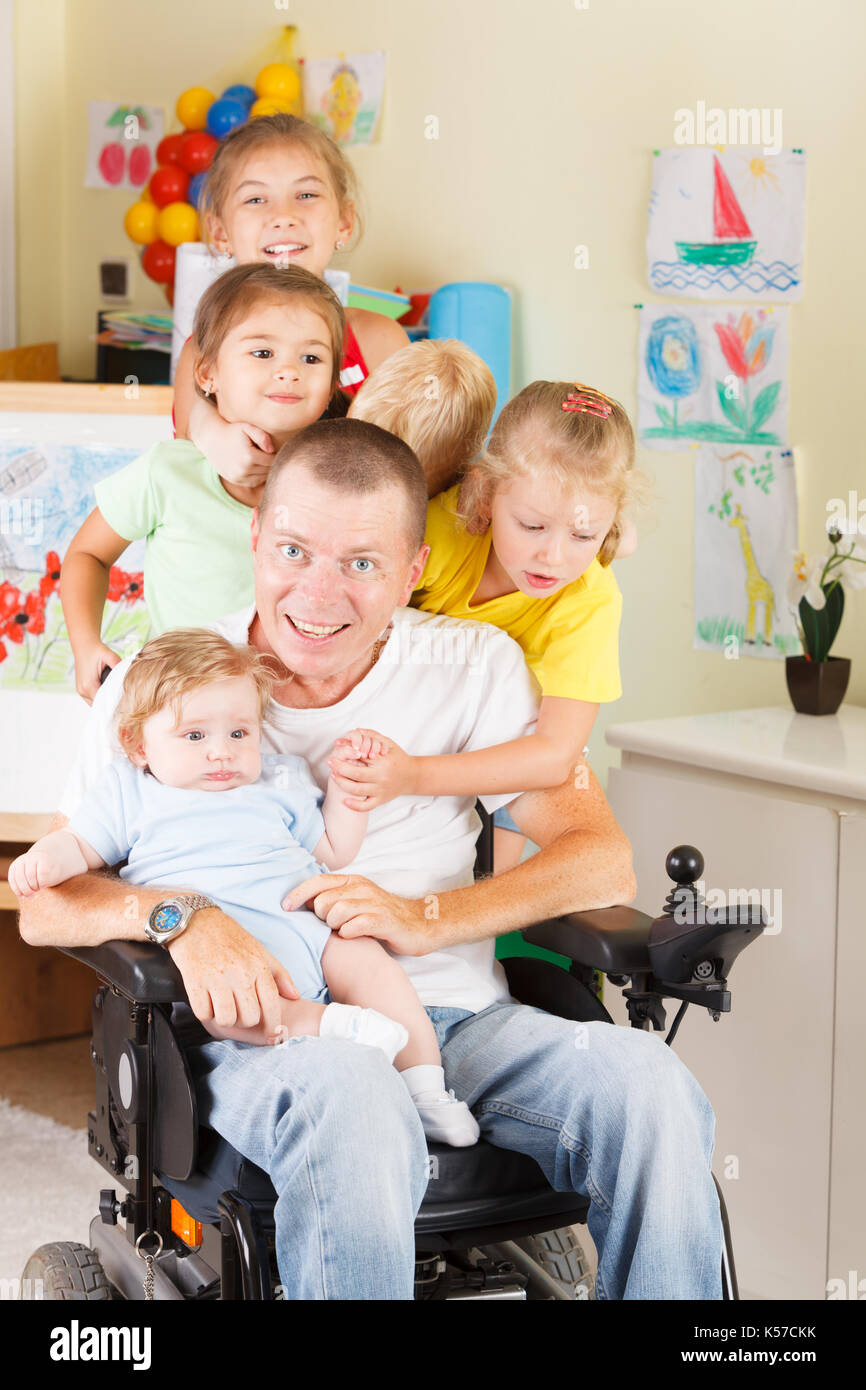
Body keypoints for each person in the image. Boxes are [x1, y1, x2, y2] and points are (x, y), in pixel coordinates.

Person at [18, 417, 723, 1301]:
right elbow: (48, 903)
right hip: (268, 1030)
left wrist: (428, 920)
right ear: (255, 538)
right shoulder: (165, 682)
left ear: (414, 570)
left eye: (361, 563)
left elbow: (601, 863)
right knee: (354, 1093)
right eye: (293, 551)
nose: (318, 593)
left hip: (458, 1023)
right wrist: (181, 916)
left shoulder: (476, 667)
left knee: (646, 1083)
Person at [10, 628, 479, 1146]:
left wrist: (347, 791)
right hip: (226, 955)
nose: (221, 754)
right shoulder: (130, 792)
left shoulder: (280, 780)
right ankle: (333, 1025)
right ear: (138, 744)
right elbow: (79, 846)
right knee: (233, 1014)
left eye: (239, 734)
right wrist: (42, 861)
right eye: (195, 736)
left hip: (311, 930)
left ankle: (426, 1087)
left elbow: (331, 848)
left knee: (375, 968)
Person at [348, 347, 643, 870]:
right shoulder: (438, 532)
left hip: (498, 758)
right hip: (390, 726)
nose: (553, 557)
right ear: (483, 493)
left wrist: (417, 774)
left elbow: (552, 754)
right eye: (531, 526)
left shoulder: (590, 599)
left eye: (583, 534)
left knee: (484, 883)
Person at [61, 263, 343, 703]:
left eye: (311, 357)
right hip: (179, 708)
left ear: (329, 389)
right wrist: (85, 645)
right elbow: (87, 554)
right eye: (263, 353)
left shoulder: (338, 488)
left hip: (292, 715)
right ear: (208, 374)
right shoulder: (168, 472)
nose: (290, 371)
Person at [173, 112, 410, 485]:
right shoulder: (204, 350)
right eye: (255, 199)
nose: (283, 216)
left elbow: (414, 465)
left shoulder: (380, 341)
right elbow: (181, 463)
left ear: (344, 223)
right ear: (220, 232)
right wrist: (208, 434)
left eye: (306, 195)